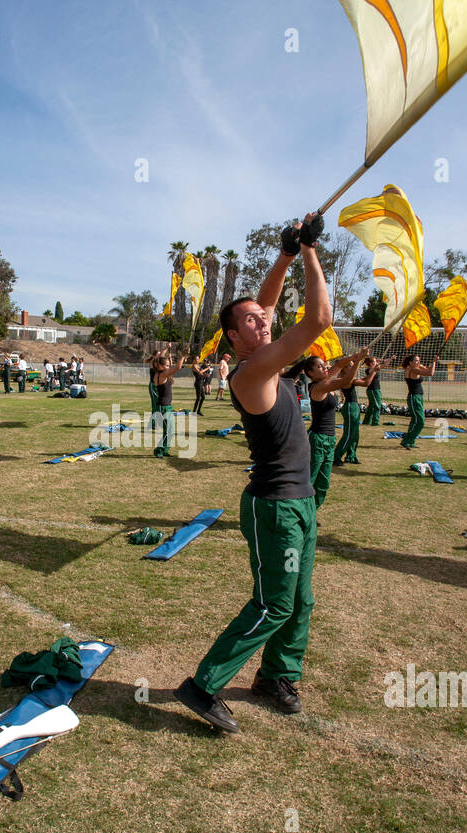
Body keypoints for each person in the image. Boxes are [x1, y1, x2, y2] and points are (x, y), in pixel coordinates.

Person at [174, 214, 329, 733]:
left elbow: (265, 304)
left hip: (301, 500)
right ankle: (203, 685)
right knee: (274, 603)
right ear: (234, 337)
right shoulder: (254, 370)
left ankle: (277, 675)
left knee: (300, 598)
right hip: (275, 507)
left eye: (265, 318)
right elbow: (319, 320)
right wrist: (309, 250)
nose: (264, 322)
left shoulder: (263, 355)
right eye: (253, 322)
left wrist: (283, 256)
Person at [294, 351, 363, 509]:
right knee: (309, 480)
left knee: (323, 483)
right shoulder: (320, 386)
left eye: (323, 364)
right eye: (319, 366)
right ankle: (297, 515)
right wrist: (358, 361)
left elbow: (339, 365)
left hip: (330, 439)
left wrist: (354, 357)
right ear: (310, 373)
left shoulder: (326, 378)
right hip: (317, 439)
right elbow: (346, 381)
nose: (324, 367)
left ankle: (310, 513)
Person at [149, 350, 185, 457]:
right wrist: (182, 356)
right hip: (163, 407)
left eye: (169, 365)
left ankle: (165, 450)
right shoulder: (161, 375)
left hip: (167, 406)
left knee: (170, 431)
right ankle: (159, 450)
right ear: (159, 366)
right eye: (167, 365)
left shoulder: (162, 373)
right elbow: (177, 368)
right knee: (169, 431)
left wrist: (169, 359)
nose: (168, 367)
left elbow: (172, 367)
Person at [333, 352, 366, 465]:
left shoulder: (348, 377)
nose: (352, 367)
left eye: (352, 365)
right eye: (350, 365)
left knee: (355, 433)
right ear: (344, 368)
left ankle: (351, 455)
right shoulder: (345, 378)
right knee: (349, 433)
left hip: (354, 406)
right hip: (350, 406)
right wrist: (374, 371)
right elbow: (366, 383)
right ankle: (336, 456)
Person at [399, 353, 435, 448]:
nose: (418, 362)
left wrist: (432, 363)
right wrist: (434, 362)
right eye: (416, 360)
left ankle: (410, 441)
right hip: (414, 397)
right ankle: (406, 440)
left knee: (416, 420)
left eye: (419, 360)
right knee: (420, 421)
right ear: (410, 362)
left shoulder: (415, 367)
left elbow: (428, 369)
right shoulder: (413, 370)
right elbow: (430, 373)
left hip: (418, 397)